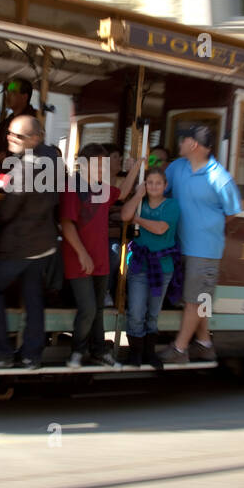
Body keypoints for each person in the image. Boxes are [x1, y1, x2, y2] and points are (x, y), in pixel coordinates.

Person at [0, 114, 60, 370]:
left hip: (19, 245)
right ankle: (31, 356)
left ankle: (1, 352)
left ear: (36, 138)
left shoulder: (27, 165)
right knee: (33, 297)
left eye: (18, 135)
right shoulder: (53, 159)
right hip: (43, 243)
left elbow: (8, 211)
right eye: (10, 133)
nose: (11, 138)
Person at [161, 124, 242, 365]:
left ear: (193, 144)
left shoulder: (221, 178)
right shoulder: (177, 167)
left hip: (205, 250)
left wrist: (206, 227)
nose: (178, 144)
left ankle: (179, 349)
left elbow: (232, 212)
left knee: (194, 300)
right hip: (179, 246)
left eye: (182, 140)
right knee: (199, 299)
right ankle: (205, 344)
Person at [61, 143, 137, 367]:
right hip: (78, 259)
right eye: (99, 164)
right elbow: (66, 225)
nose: (103, 168)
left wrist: (137, 167)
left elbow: (122, 193)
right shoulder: (72, 187)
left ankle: (99, 351)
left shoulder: (101, 188)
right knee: (88, 309)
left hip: (101, 259)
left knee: (98, 310)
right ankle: (77, 351)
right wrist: (82, 254)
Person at [120, 165, 180, 368]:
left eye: (158, 183)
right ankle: (135, 353)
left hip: (163, 267)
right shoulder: (140, 202)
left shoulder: (172, 205)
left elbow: (160, 228)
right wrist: (137, 196)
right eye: (150, 182)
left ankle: (149, 353)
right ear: (145, 185)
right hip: (139, 265)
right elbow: (124, 215)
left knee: (153, 313)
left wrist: (136, 219)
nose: (154, 186)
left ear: (165, 185)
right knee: (136, 311)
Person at [0, 77, 38, 171]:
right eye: (8, 92)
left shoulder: (31, 123)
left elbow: (14, 157)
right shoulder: (6, 122)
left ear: (24, 96)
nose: (8, 95)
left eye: (13, 92)